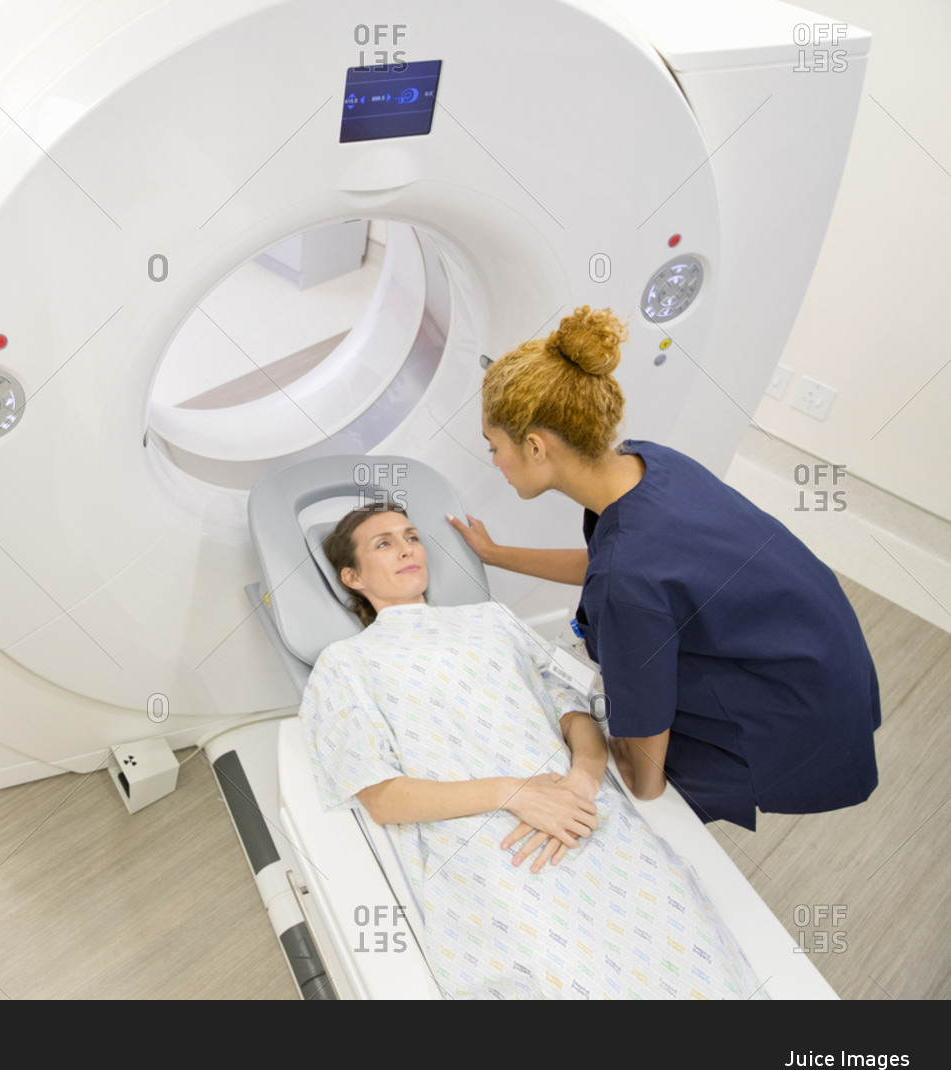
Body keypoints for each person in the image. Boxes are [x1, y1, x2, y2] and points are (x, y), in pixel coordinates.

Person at [299, 502, 762, 998]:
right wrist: (515, 793)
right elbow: (383, 798)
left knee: (681, 929)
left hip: (580, 809)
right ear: (351, 576)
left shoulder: (492, 620)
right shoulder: (346, 663)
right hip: (487, 838)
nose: (407, 548)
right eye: (384, 543)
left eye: (411, 536)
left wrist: (585, 775)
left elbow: (571, 709)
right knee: (560, 968)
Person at [449, 305, 880, 830]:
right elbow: (620, 564)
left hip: (792, 709)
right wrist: (496, 555)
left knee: (637, 798)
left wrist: (605, 758)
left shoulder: (628, 578)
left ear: (536, 447)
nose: (494, 461)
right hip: (825, 647)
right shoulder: (647, 463)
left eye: (495, 448)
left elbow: (645, 770)